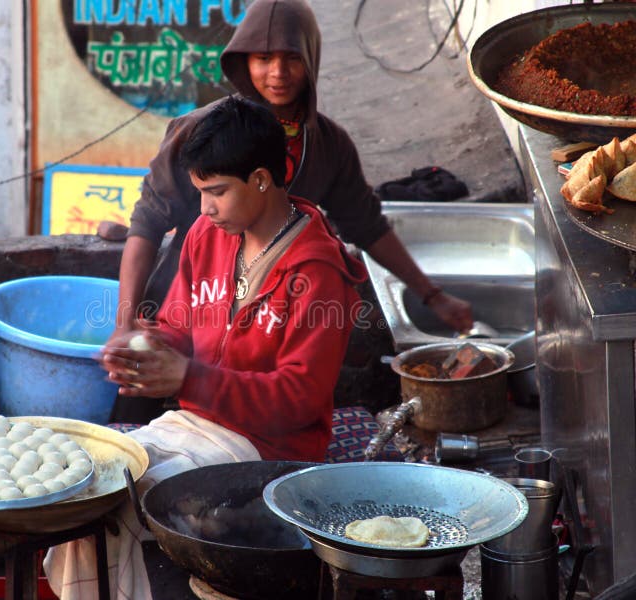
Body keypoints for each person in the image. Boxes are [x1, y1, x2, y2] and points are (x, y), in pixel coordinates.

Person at [45, 95, 367, 600]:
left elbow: (300, 398)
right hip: (190, 426)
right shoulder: (207, 235)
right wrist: (144, 348)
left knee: (119, 506)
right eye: (199, 192)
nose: (204, 208)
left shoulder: (317, 272)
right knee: (86, 491)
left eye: (216, 192)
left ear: (261, 179)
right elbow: (176, 325)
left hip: (269, 450)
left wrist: (188, 378)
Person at [113, 0, 472, 352]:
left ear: (311, 60)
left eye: (293, 58)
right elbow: (147, 224)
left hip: (270, 322)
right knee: (139, 399)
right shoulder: (199, 130)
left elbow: (368, 226)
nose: (278, 74)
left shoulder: (328, 146)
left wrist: (432, 296)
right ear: (243, 60)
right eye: (263, 58)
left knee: (256, 399)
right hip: (181, 303)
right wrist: (125, 321)